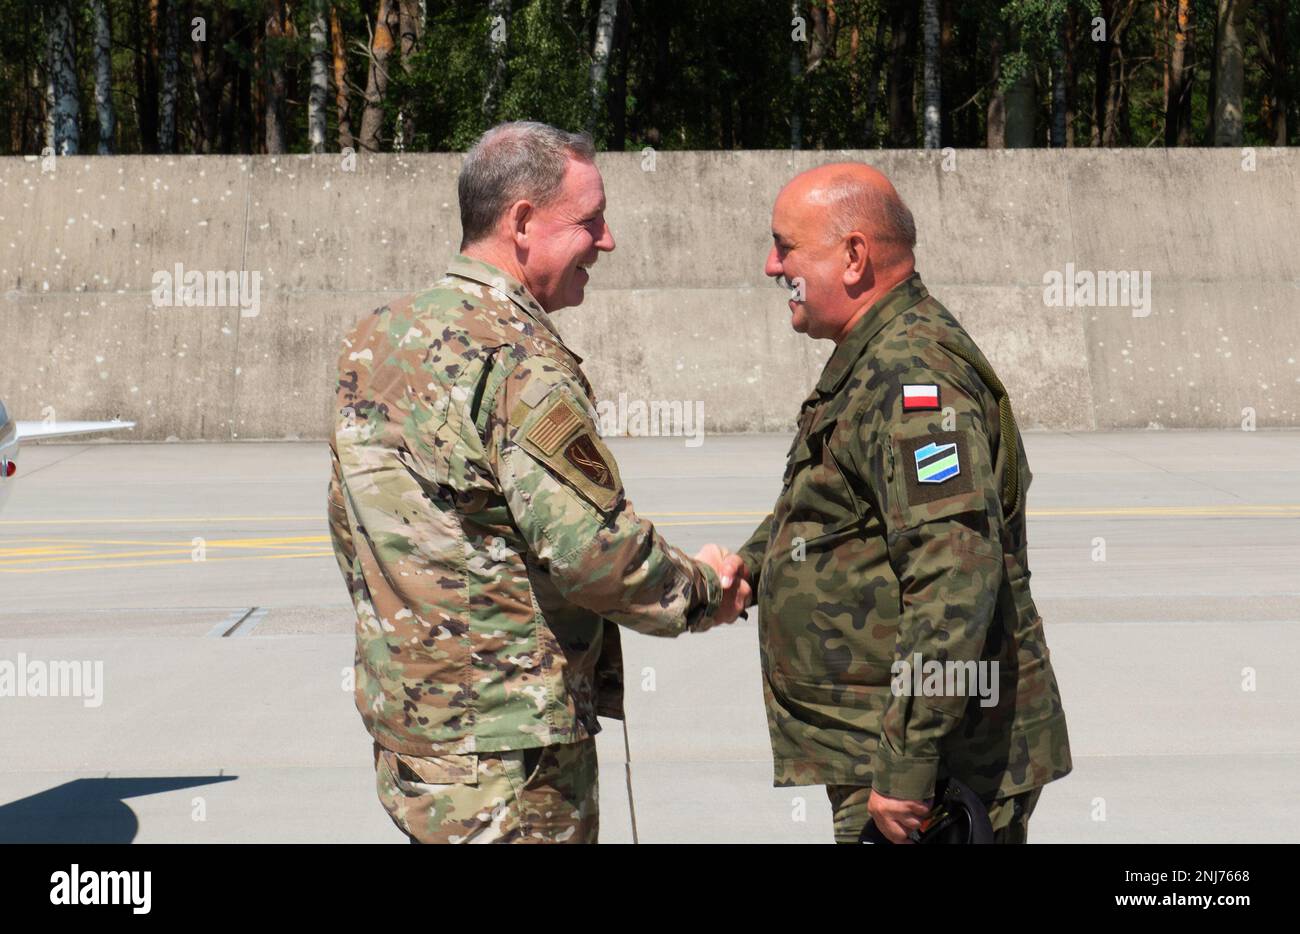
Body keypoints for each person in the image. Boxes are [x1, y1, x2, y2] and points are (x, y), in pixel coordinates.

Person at [327, 121, 749, 844]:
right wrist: (706, 591)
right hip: (511, 752)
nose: (607, 240)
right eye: (590, 221)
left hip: (418, 734)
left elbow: (354, 526)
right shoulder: (516, 359)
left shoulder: (376, 337)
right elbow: (595, 553)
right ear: (522, 222)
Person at [721, 162, 1072, 844]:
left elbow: (955, 583)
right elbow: (832, 510)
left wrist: (908, 764)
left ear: (853, 257)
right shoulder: (877, 358)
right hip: (888, 749)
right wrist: (743, 572)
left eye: (784, 245)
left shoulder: (913, 378)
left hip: (932, 770)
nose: (771, 266)